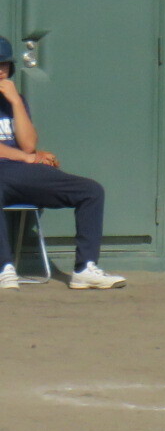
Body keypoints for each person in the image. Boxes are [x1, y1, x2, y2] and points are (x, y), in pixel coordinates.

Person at [0, 39, 125, 290]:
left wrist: (15, 103)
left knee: (90, 191)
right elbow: (27, 155)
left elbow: (27, 146)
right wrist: (27, 158)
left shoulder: (15, 100)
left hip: (23, 173)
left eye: (3, 65)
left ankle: (84, 269)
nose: (0, 71)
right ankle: (4, 267)